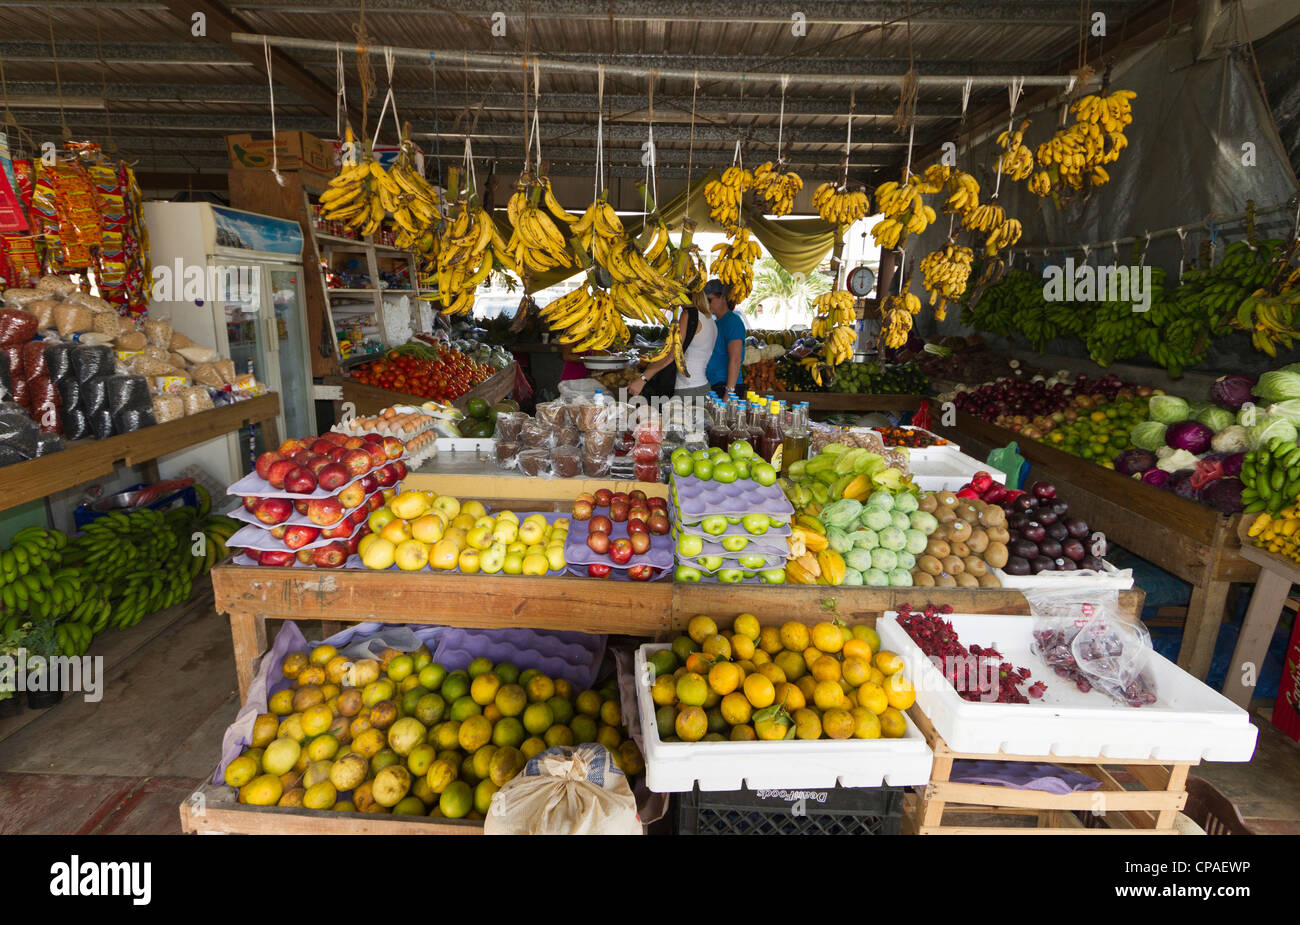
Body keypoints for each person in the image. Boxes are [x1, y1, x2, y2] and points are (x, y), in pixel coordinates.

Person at [627, 292, 716, 399]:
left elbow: (673, 353)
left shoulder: (689, 314)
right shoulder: (710, 320)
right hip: (703, 387)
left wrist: (643, 379)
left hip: (687, 390)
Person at [703, 278, 746, 397]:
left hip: (726, 387)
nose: (706, 304)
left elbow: (736, 359)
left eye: (709, 300)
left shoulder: (733, 321)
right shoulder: (716, 323)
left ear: (722, 297)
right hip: (714, 384)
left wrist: (728, 394)